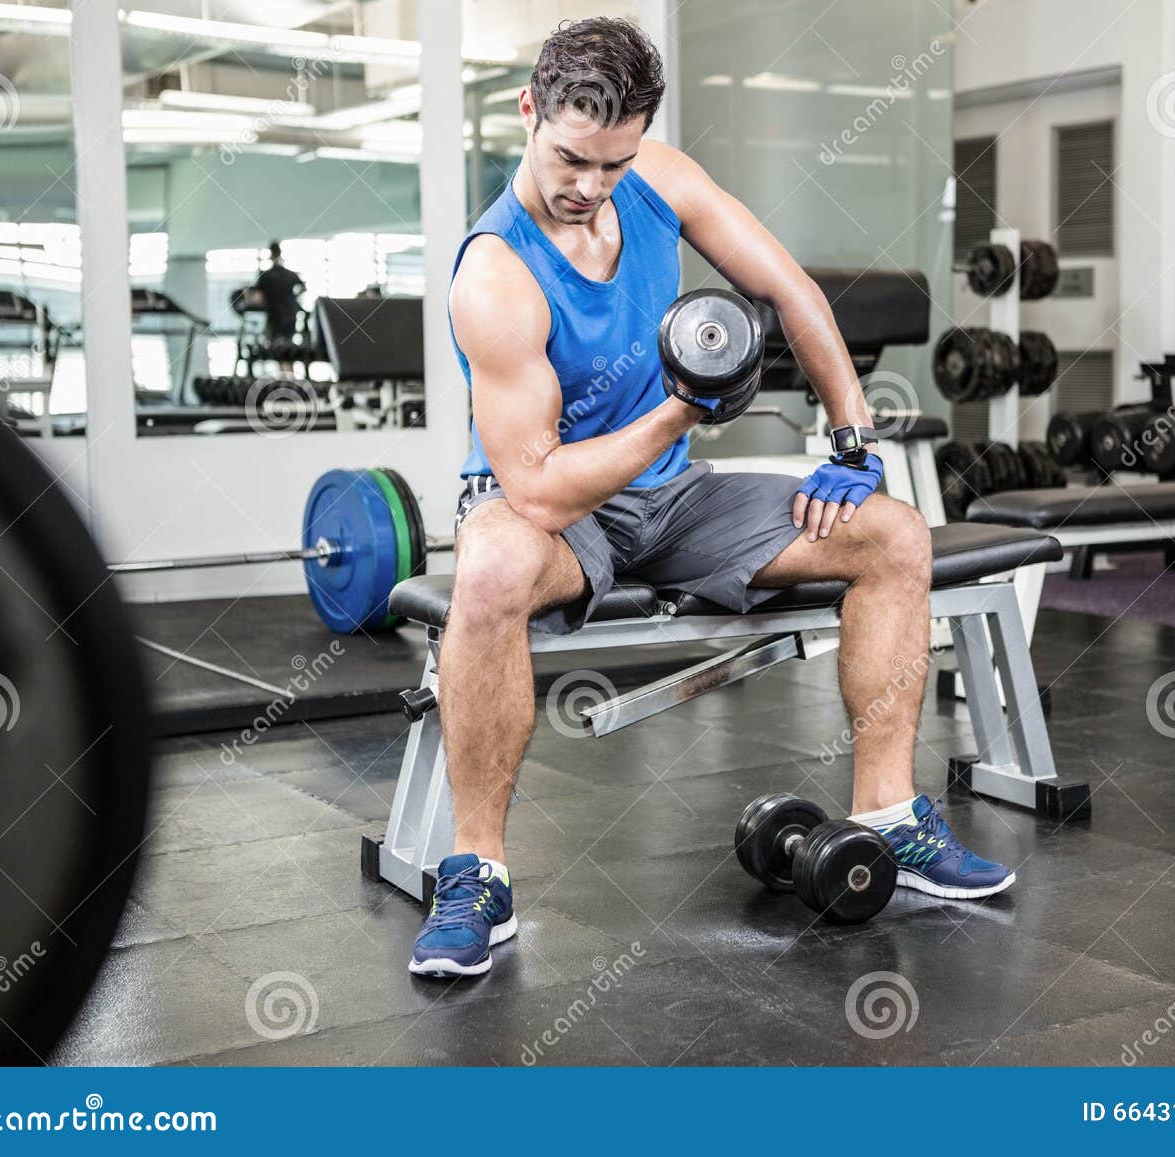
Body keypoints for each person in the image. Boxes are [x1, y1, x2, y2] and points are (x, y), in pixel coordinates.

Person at [412, 17, 1015, 978]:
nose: (590, 186)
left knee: (896, 534)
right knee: (486, 563)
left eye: (613, 163)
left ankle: (891, 817)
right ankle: (477, 872)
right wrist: (679, 413)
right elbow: (536, 482)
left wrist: (852, 435)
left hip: (674, 498)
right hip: (562, 514)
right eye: (571, 158)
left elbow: (791, 290)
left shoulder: (659, 178)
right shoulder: (496, 272)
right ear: (528, 112)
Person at [252, 241, 305, 354]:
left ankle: (283, 370)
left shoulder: (266, 276)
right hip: (289, 313)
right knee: (287, 349)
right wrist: (294, 298)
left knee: (276, 349)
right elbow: (302, 288)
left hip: (275, 315)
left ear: (270, 255)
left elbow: (258, 295)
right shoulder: (289, 274)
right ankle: (286, 370)